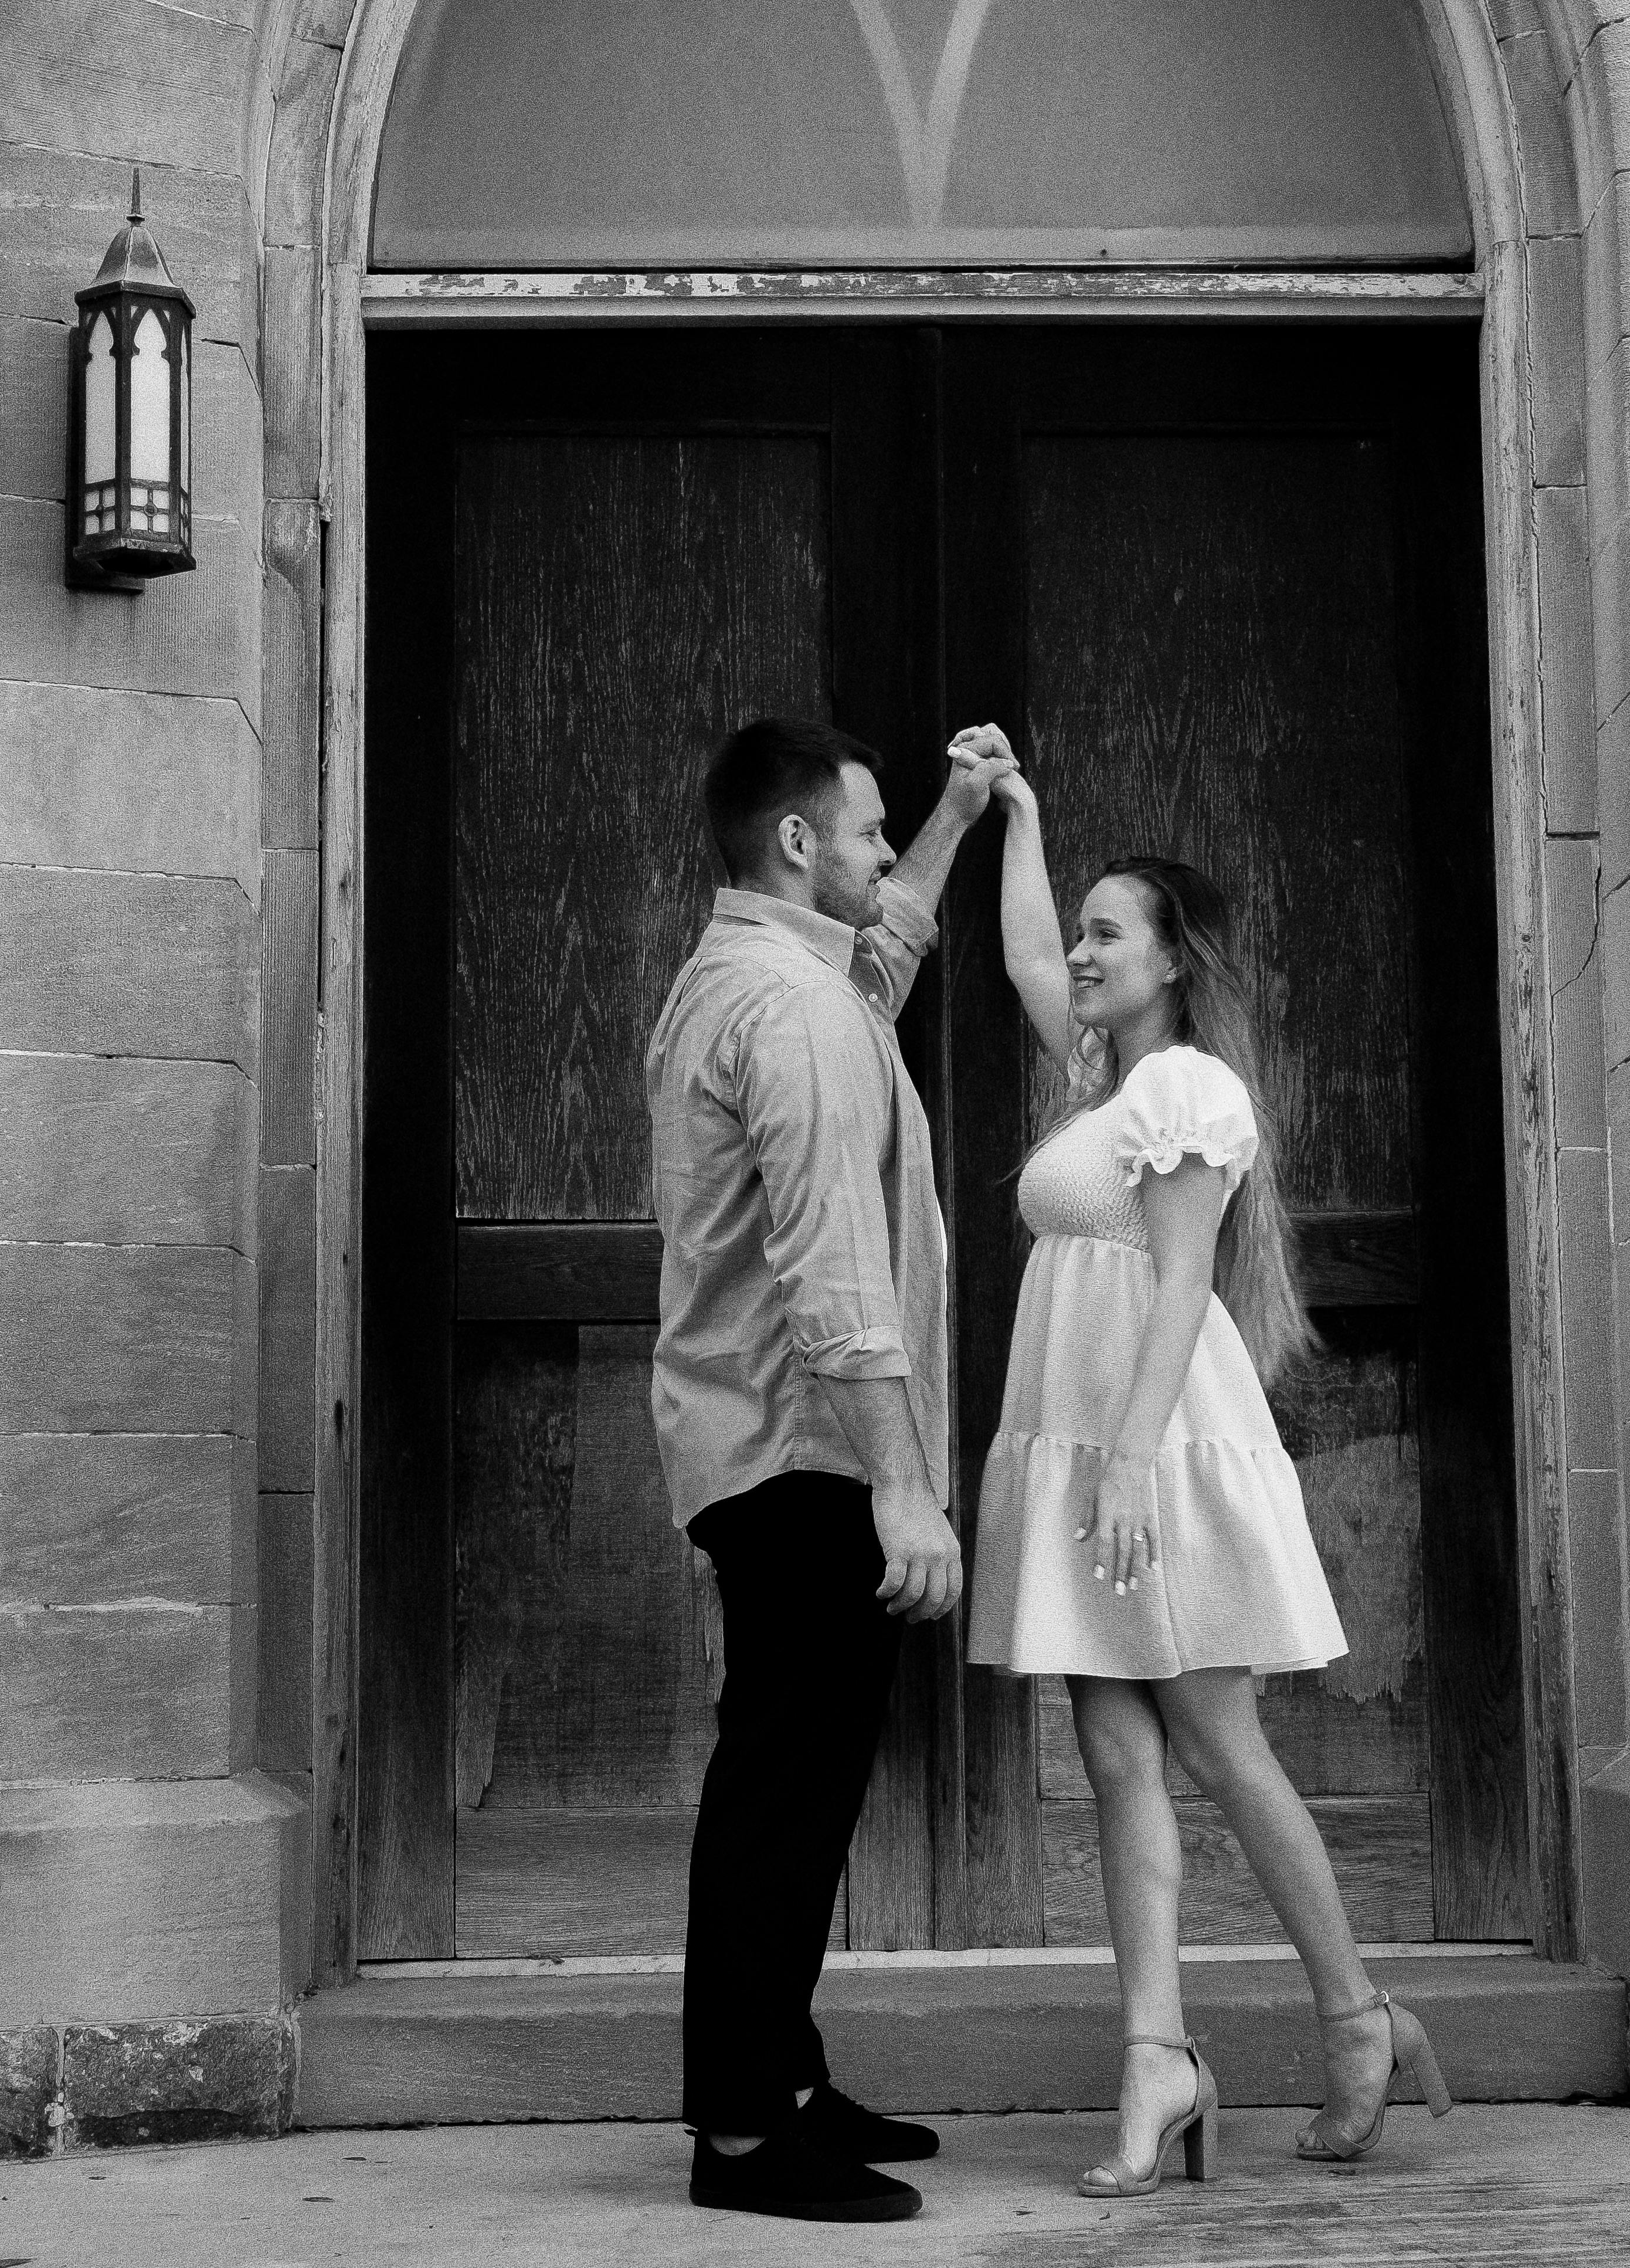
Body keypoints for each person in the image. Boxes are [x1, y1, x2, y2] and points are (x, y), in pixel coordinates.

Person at [962, 745, 1454, 2196]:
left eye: (1114, 933)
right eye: (1088, 931)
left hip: (1149, 1443)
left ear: (1173, 963)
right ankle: (1155, 2061)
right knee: (1114, 1753)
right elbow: (1022, 955)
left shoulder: (1182, 1084)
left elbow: (1182, 1287)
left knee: (1219, 1745)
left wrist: (1123, 1463)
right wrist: (1023, 816)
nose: (1086, 954)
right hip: (1085, 1442)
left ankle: (1358, 2019)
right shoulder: (1097, 1080)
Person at [647, 711, 1017, 2226]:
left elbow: (882, 963)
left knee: (798, 1780)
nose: (879, 855)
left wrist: (952, 813)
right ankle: (740, 2137)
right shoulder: (784, 1011)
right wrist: (905, 1485)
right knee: (782, 1797)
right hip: (808, 1452)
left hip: (777, 1445)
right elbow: (828, 1265)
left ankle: (782, 2081)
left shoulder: (769, 975)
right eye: (864, 830)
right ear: (798, 843)